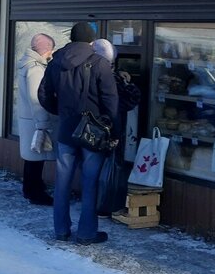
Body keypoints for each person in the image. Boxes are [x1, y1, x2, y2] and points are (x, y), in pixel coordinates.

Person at [39, 23, 118, 244]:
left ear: (71, 39)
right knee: (90, 182)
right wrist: (113, 130)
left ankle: (61, 231)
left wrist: (62, 112)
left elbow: (43, 94)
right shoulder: (100, 64)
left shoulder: (55, 62)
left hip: (65, 130)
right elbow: (111, 102)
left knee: (62, 182)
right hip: (93, 132)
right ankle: (86, 233)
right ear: (91, 42)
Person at [90, 39, 142, 217]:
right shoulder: (114, 79)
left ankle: (92, 203)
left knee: (91, 167)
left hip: (88, 128)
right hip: (111, 128)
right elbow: (131, 100)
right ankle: (106, 205)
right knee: (111, 168)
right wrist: (128, 83)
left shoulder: (84, 73)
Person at [16, 33, 57, 206]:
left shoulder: (26, 64)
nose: (51, 54)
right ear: (46, 49)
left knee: (32, 157)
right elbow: (37, 98)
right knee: (36, 157)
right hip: (35, 121)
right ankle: (35, 192)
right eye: (51, 50)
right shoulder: (35, 68)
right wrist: (43, 123)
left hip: (28, 119)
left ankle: (31, 188)